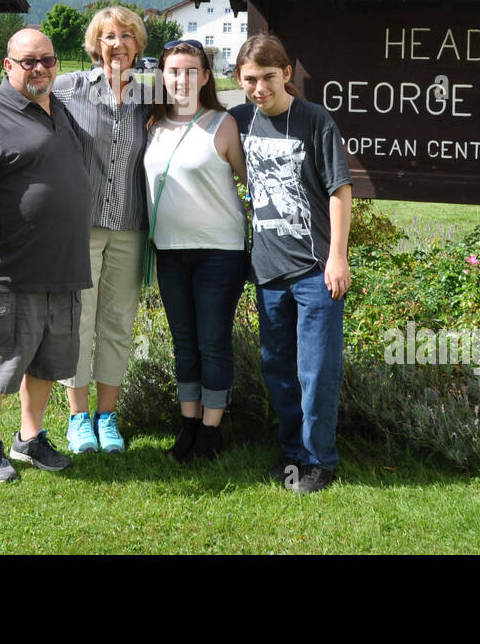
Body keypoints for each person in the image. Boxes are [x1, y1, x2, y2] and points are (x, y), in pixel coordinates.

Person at [0, 6, 150, 454]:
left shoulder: (152, 95)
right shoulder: (69, 87)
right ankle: (78, 417)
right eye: (108, 36)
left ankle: (108, 417)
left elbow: (199, 100)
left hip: (130, 225)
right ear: (94, 44)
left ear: (139, 45)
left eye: (126, 36)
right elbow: (17, 90)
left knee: (118, 323)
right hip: (78, 231)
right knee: (77, 323)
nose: (117, 44)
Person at [0, 28, 93, 485]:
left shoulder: (61, 108)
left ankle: (29, 438)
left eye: (47, 60)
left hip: (61, 265)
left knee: (48, 359)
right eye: (27, 61)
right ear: (8, 65)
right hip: (6, 267)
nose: (39, 69)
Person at [230, 34, 352, 494]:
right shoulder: (240, 120)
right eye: (249, 80)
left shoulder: (315, 121)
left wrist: (337, 257)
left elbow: (341, 190)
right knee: (277, 366)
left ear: (285, 73)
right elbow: (187, 120)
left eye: (266, 77)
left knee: (316, 368)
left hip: (316, 269)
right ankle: (292, 453)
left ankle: (320, 458)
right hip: (267, 272)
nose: (259, 88)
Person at [144, 39, 248, 462]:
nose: (181, 79)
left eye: (191, 71)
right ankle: (188, 424)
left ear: (205, 77)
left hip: (218, 252)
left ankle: (211, 431)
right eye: (173, 71)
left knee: (213, 341)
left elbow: (252, 182)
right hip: (169, 250)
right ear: (162, 77)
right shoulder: (152, 123)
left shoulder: (222, 124)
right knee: (183, 342)